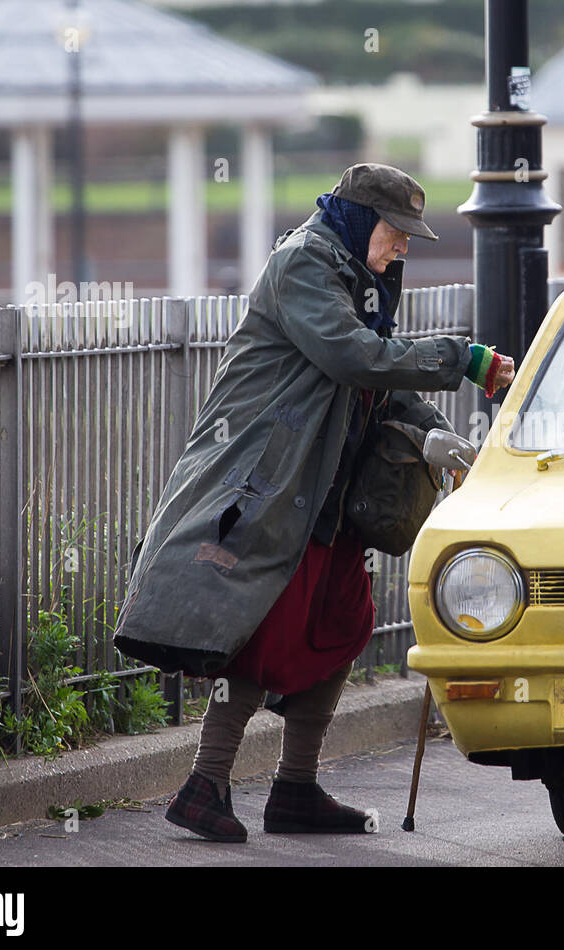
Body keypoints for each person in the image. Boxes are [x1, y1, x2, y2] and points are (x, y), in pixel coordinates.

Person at [112, 163, 514, 842]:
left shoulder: (361, 275)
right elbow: (353, 355)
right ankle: (204, 784)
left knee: (341, 625)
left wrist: (433, 432)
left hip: (324, 489)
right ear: (360, 221)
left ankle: (294, 788)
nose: (404, 247)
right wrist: (464, 358)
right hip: (270, 486)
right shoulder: (302, 263)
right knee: (257, 632)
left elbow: (375, 372)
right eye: (396, 233)